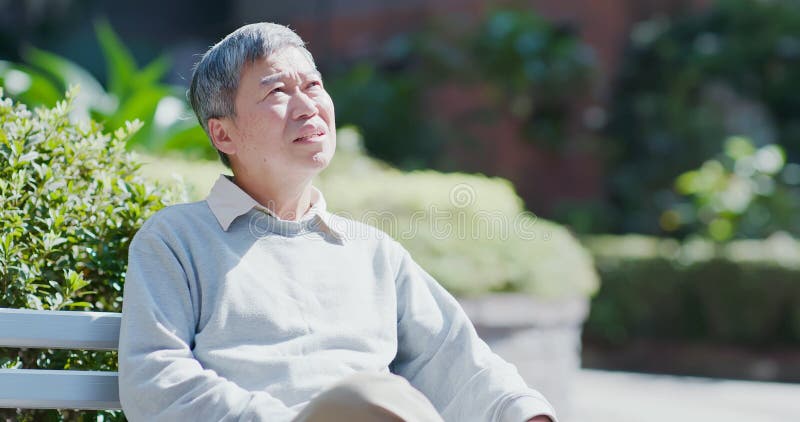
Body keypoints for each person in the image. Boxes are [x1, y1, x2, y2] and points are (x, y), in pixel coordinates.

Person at [118, 22, 557, 422]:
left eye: (313, 85)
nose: (308, 105)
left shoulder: (373, 252)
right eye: (277, 92)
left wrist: (525, 414)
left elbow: (459, 363)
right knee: (369, 396)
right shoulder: (175, 240)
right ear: (223, 134)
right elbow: (156, 382)